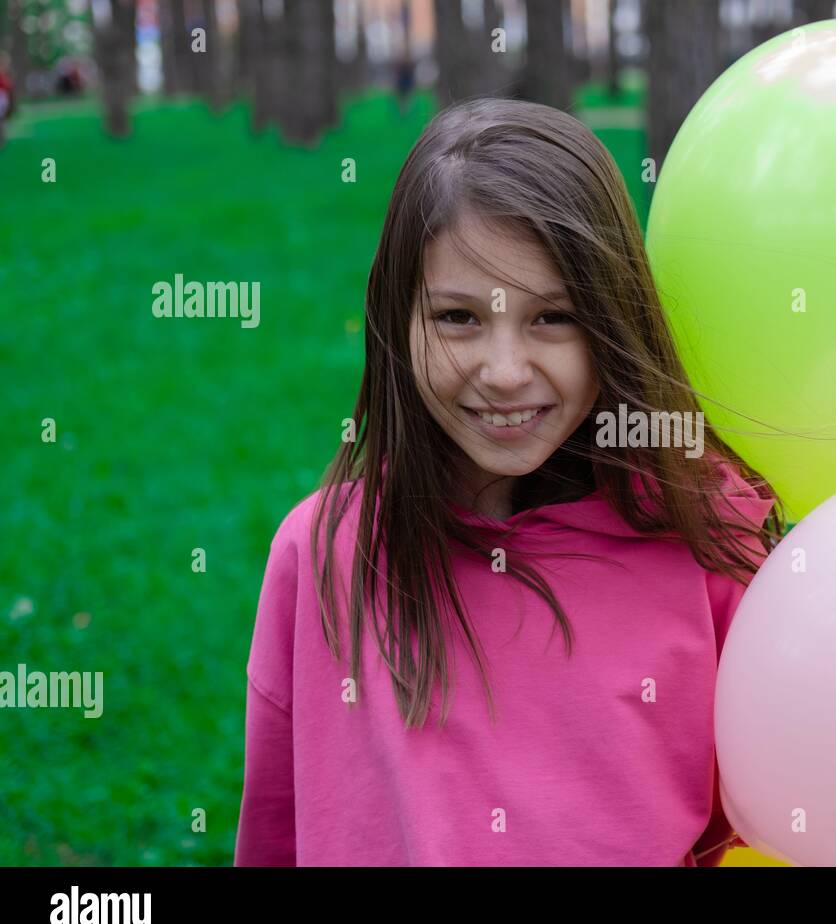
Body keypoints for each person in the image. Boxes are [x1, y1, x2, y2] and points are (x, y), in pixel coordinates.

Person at [234, 97, 783, 866]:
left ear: (613, 321)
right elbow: (274, 832)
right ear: (400, 321)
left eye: (552, 318)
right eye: (458, 318)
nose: (503, 372)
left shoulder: (707, 546)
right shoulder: (324, 555)